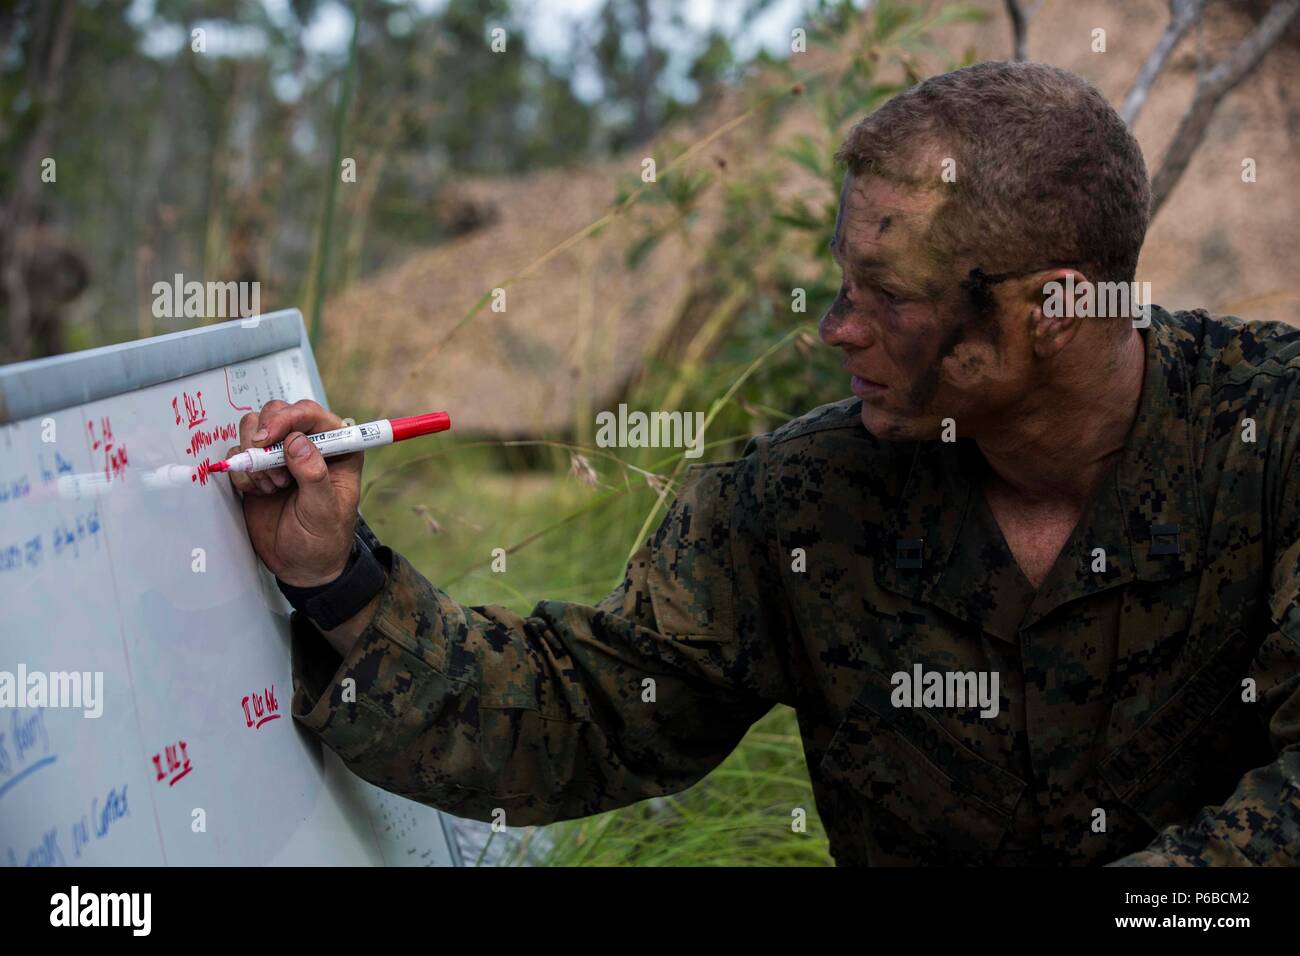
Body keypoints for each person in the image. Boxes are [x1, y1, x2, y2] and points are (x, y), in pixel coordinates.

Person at [227, 61, 1300, 865]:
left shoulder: (1275, 434)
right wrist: (334, 576)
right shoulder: (802, 498)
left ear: (1056, 307)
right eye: (842, 281)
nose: (836, 329)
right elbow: (582, 713)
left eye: (890, 296)